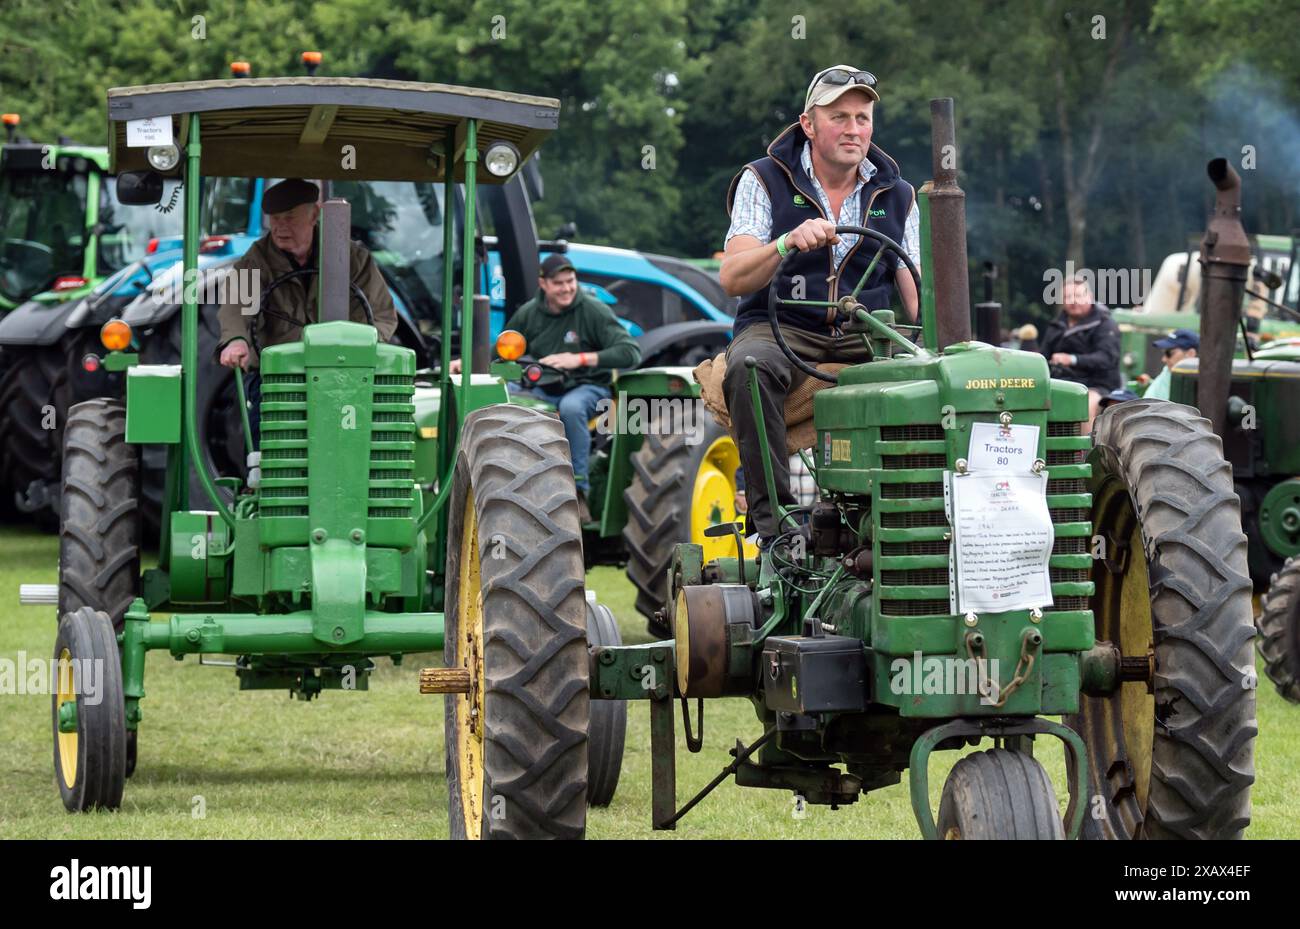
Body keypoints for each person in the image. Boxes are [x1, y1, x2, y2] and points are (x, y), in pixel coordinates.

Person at [719, 64, 920, 542]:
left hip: (865, 333)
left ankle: (907, 521)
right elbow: (732, 277)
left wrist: (944, 349)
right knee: (748, 365)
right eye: (839, 117)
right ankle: (777, 529)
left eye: (863, 118)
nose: (854, 129)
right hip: (781, 327)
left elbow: (918, 293)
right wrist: (785, 244)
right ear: (808, 124)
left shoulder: (898, 194)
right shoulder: (764, 179)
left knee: (931, 381)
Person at [455, 253, 640, 519]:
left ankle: (578, 491)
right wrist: (466, 362)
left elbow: (630, 352)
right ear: (543, 284)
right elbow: (504, 349)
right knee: (510, 403)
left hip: (587, 387)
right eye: (559, 283)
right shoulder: (530, 313)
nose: (566, 288)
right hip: (542, 388)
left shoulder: (592, 310)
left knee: (572, 408)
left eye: (570, 281)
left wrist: (579, 359)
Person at [215, 178, 398, 443]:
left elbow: (382, 315)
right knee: (267, 432)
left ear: (315, 215)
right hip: (281, 376)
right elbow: (236, 306)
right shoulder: (256, 259)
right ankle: (262, 480)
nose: (280, 227)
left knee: (367, 431)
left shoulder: (353, 259)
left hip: (346, 373)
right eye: (275, 219)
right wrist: (236, 340)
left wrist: (359, 349)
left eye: (289, 217)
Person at [1038, 274, 1121, 430]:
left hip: (1096, 385)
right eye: (1068, 296)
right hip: (1060, 383)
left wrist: (1072, 359)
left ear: (1090, 297)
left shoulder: (1105, 324)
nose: (1073, 301)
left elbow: (1106, 358)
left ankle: (1084, 453)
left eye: (1078, 295)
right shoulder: (1056, 326)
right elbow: (1042, 357)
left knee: (1085, 405)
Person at [1142, 328, 1198, 400]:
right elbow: (1147, 402)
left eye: (1169, 353)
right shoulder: (1167, 372)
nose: (1164, 359)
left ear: (1190, 353)